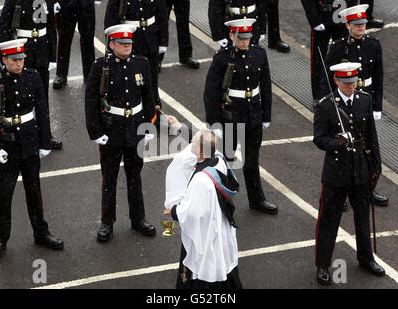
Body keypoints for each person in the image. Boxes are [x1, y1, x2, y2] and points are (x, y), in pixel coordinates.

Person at [0, 39, 64, 260]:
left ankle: (41, 232)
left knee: (34, 191)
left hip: (28, 141)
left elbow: (42, 111)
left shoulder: (32, 77)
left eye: (22, 59)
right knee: (4, 194)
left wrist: (45, 142)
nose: (19, 64)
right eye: (15, 60)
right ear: (4, 59)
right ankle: (0, 239)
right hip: (6, 144)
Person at [313, 62, 386, 285]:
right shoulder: (326, 106)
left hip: (360, 169)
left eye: (353, 82)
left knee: (363, 216)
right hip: (336, 171)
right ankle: (323, 265)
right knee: (329, 219)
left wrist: (376, 166)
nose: (351, 87)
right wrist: (337, 142)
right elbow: (318, 139)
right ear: (336, 81)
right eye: (346, 83)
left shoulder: (364, 100)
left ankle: (366, 258)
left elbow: (371, 136)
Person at [85, 24, 158, 241]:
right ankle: (107, 222)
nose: (127, 47)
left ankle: (138, 219)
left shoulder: (141, 63)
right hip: (112, 130)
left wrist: (149, 125)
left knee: (135, 177)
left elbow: (149, 96)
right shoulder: (100, 66)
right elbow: (90, 100)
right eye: (123, 44)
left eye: (129, 43)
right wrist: (96, 131)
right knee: (110, 179)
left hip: (135, 128)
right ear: (112, 44)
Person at [204, 18, 278, 215]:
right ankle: (222, 199)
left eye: (247, 37)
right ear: (231, 36)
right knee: (225, 160)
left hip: (253, 113)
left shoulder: (258, 54)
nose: (245, 41)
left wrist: (266, 115)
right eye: (240, 38)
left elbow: (265, 86)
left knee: (252, 160)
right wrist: (214, 123)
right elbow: (211, 92)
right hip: (231, 115)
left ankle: (257, 199)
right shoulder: (222, 58)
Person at [320, 4, 388, 206]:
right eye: (357, 24)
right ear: (348, 24)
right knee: (343, 150)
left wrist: (377, 106)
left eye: (364, 23)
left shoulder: (373, 45)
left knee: (367, 148)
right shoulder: (339, 47)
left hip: (364, 102)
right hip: (343, 105)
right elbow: (327, 79)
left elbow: (378, 76)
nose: (361, 27)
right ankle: (340, 193)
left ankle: (367, 188)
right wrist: (329, 105)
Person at [164, 130, 242, 289]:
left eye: (193, 141)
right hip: (220, 223)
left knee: (204, 268)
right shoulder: (219, 160)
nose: (190, 141)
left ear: (200, 151)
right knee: (223, 263)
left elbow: (195, 213)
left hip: (206, 232)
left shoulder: (201, 180)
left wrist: (173, 211)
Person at [0, 0, 63, 150]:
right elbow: (4, 29)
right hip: (21, 53)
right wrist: (7, 57)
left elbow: (51, 27)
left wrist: (52, 56)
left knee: (42, 99)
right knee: (18, 98)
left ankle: (45, 135)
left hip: (41, 52)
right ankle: (18, 135)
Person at [104, 0, 169, 109]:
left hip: (150, 38)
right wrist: (112, 46)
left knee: (152, 80)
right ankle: (135, 111)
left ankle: (153, 111)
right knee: (130, 79)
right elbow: (111, 18)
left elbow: (162, 12)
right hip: (130, 40)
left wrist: (163, 40)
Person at [301, 0, 357, 104]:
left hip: (342, 16)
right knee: (318, 58)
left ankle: (340, 91)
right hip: (322, 15)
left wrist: (352, 13)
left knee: (342, 58)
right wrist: (314, 19)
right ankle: (318, 94)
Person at [52, 0, 101, 89]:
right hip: (65, 4)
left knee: (88, 39)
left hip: (86, 4)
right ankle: (61, 74)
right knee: (64, 39)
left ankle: (89, 73)